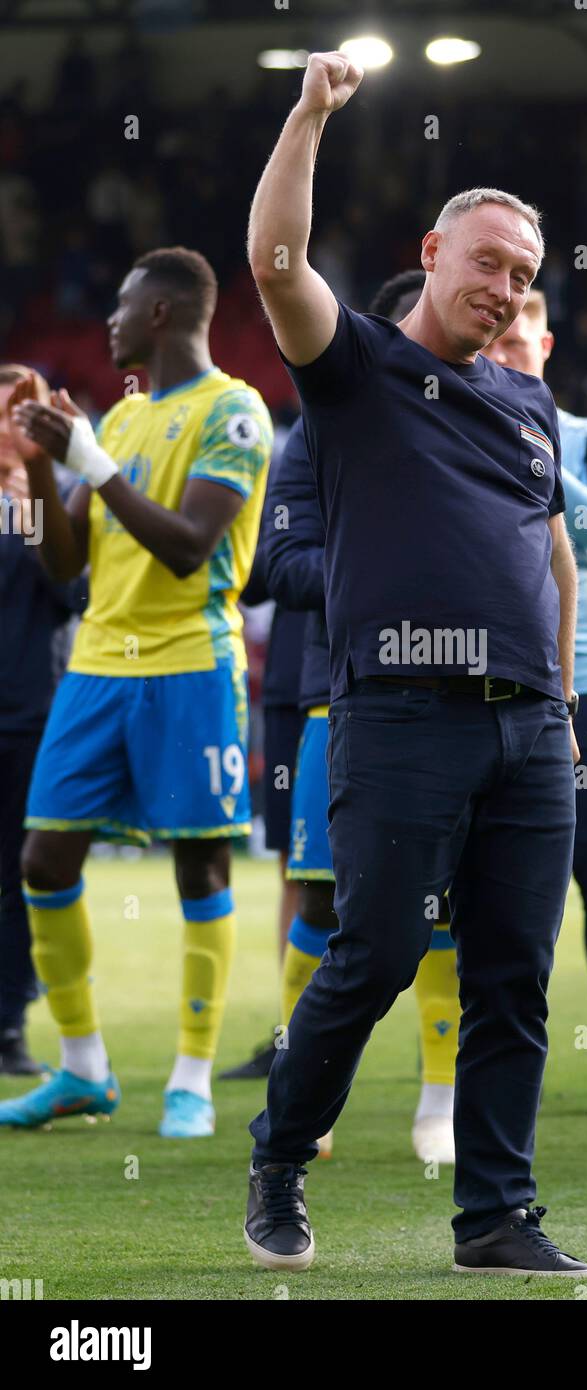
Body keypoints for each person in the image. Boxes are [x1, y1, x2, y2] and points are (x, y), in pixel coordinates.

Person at [243, 52, 587, 1278]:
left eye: (524, 277)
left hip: (525, 732)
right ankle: (280, 1149)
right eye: (487, 263)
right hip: (398, 715)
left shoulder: (530, 406)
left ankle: (494, 1216)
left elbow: (547, 560)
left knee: (514, 976)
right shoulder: (355, 375)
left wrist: (556, 707)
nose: (504, 290)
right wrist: (307, 117)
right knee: (378, 954)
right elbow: (276, 265)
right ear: (432, 254)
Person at [0, 247, 272, 1138]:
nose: (107, 319)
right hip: (98, 668)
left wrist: (91, 459)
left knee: (199, 861)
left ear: (160, 314)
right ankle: (83, 1070)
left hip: (191, 664)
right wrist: (48, 462)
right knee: (43, 859)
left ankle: (191, 1077)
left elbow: (190, 544)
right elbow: (63, 562)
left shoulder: (234, 411)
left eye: (121, 304)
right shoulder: (115, 422)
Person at [265, 268, 461, 1164]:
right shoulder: (310, 440)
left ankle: (441, 1099)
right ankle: (304, 1087)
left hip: (457, 699)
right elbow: (283, 566)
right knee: (316, 894)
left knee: (446, 905)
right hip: (335, 695)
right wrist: (380, 580)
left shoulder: (478, 416)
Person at [484, 289, 587, 1118]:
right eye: (500, 339)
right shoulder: (458, 419)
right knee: (498, 885)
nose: (511, 350)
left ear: (547, 343)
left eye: (524, 340)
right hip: (492, 676)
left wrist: (537, 446)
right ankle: (485, 1066)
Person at [0, 364, 86, 1074]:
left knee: (18, 875)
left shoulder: (50, 501)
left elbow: (69, 591)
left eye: (20, 415)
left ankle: (10, 1024)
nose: (9, 427)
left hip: (29, 717)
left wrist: (31, 494)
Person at [218, 491, 307, 1082]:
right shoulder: (295, 467)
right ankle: (295, 1036)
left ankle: (446, 1063)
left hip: (375, 677)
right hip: (293, 686)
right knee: (295, 867)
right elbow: (252, 582)